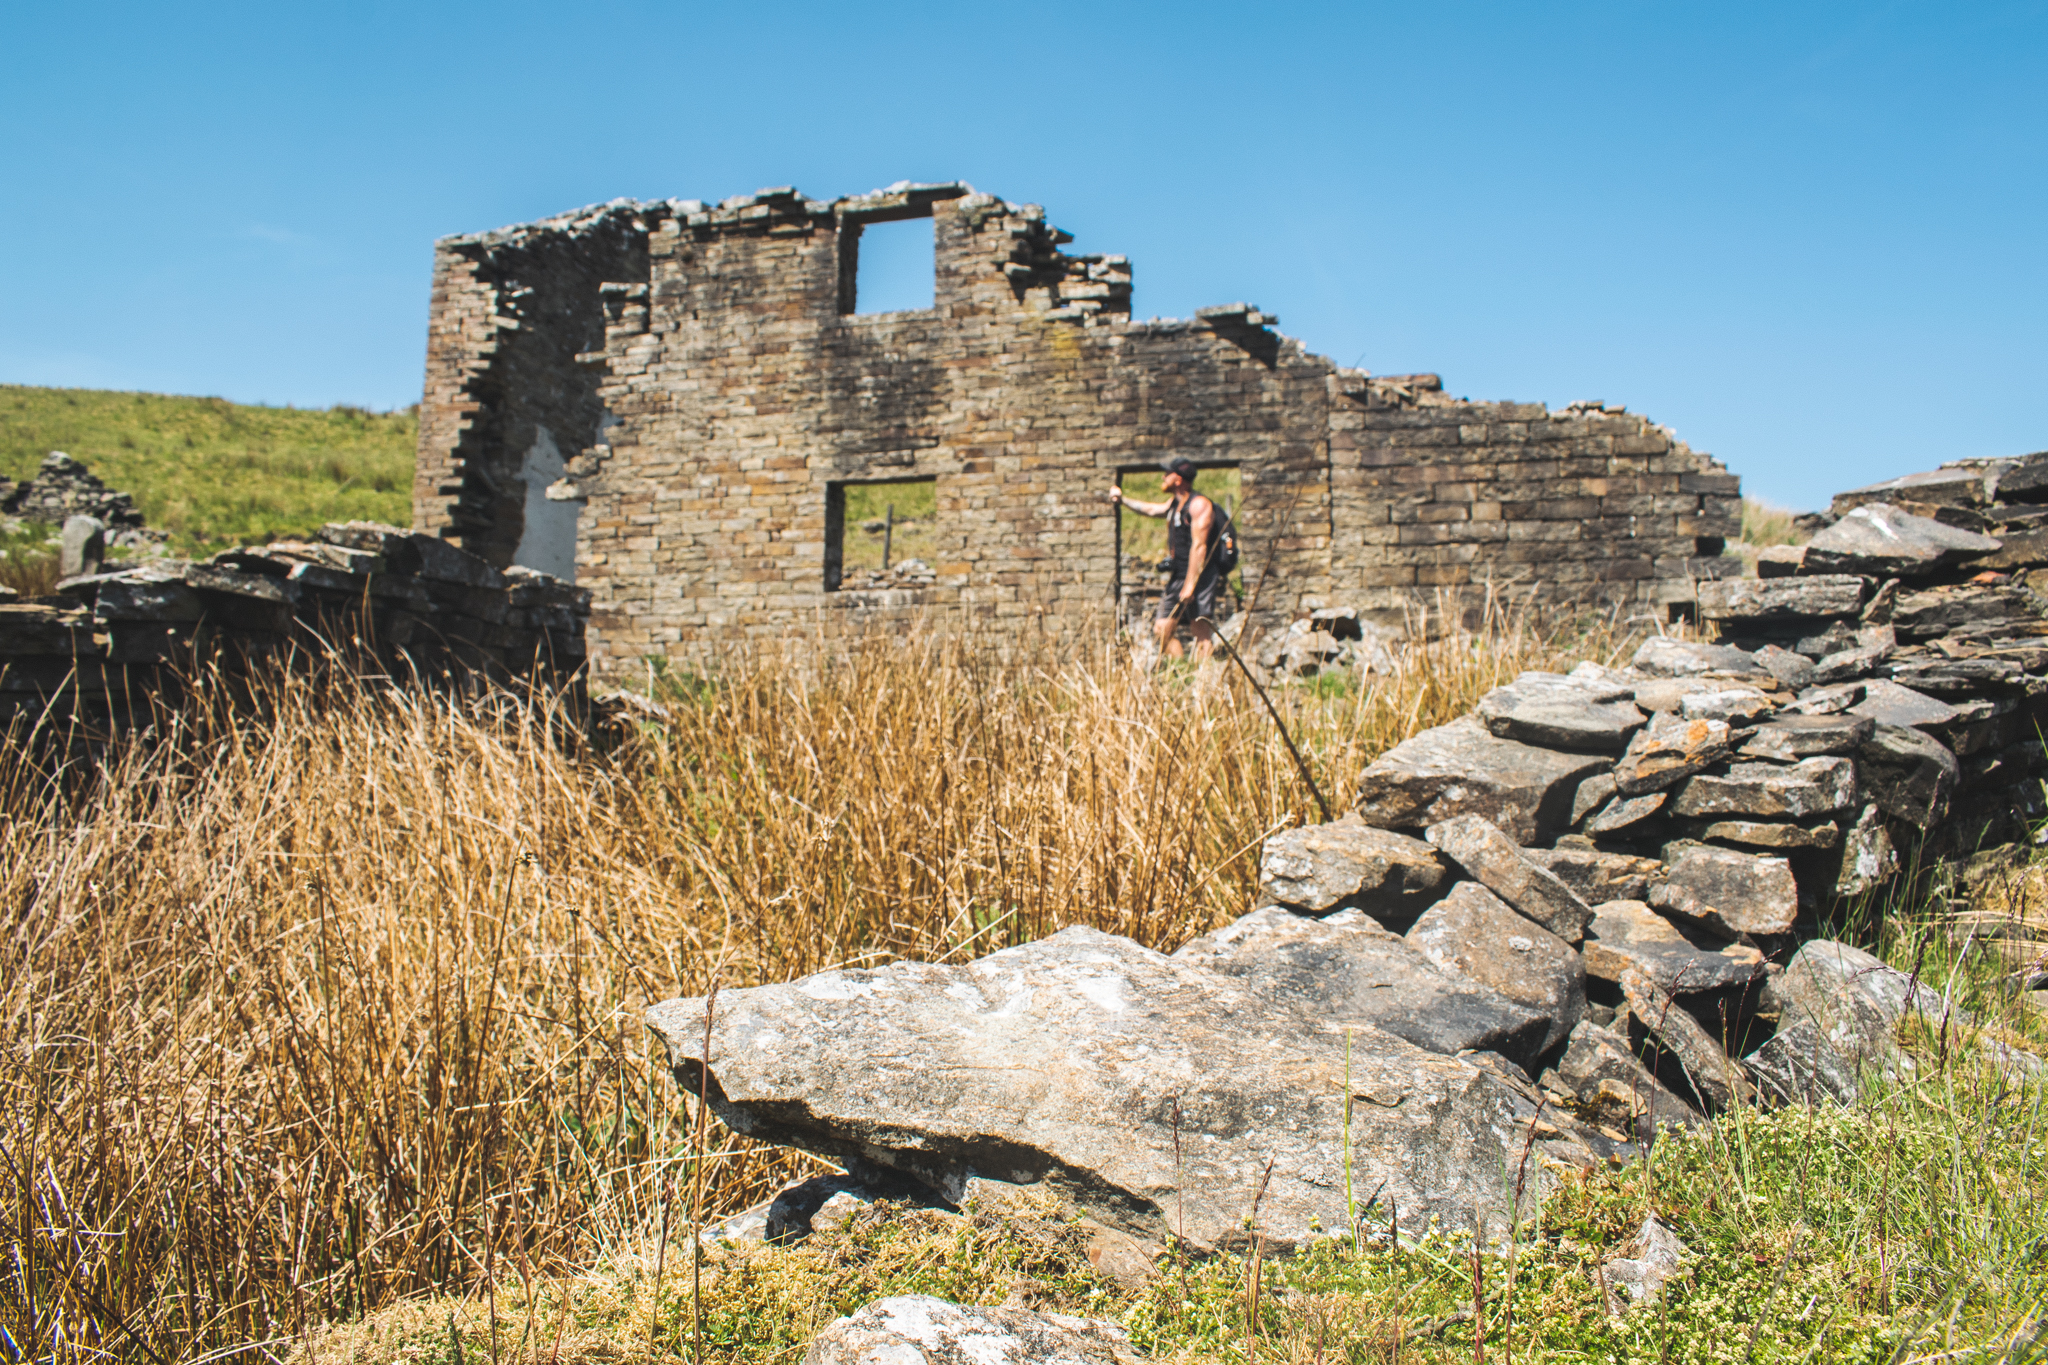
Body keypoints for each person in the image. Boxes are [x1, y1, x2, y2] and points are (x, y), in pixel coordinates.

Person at [1106, 457, 1225, 661]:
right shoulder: (1175, 504)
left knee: (1200, 629)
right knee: (1161, 628)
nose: (1163, 477)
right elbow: (1151, 510)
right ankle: (1181, 670)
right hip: (1178, 574)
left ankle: (1204, 675)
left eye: (1167, 474)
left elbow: (1200, 546)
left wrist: (1190, 585)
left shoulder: (1199, 505)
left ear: (1178, 479)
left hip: (1200, 575)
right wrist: (1122, 500)